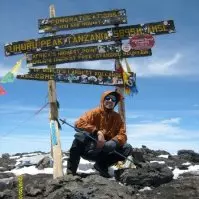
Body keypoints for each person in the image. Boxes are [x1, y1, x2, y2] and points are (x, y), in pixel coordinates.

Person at [67, 90, 132, 178]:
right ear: (103, 99)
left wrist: (114, 141)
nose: (110, 101)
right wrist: (96, 131)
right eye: (107, 98)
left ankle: (101, 166)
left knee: (127, 148)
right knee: (79, 138)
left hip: (105, 151)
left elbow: (123, 134)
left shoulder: (117, 117)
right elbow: (78, 124)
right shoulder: (93, 112)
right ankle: (71, 172)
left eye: (113, 99)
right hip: (90, 148)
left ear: (115, 103)